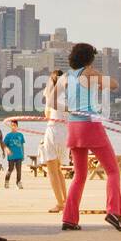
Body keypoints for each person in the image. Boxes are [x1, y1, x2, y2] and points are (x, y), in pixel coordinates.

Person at [62, 42, 121, 232]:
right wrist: (95, 74)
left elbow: (57, 98)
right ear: (89, 59)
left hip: (73, 125)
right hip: (90, 124)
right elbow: (114, 85)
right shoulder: (89, 73)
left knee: (79, 175)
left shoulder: (67, 76)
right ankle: (113, 212)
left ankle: (69, 219)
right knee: (113, 171)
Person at [40, 69, 69, 213]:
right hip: (65, 133)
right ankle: (65, 200)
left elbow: (47, 114)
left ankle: (60, 203)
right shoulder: (68, 96)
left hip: (53, 130)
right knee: (58, 169)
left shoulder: (52, 95)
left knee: (51, 170)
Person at [3, 120, 25, 189]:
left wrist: (23, 154)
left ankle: (18, 182)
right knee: (10, 169)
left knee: (19, 170)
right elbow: (3, 145)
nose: (13, 127)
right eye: (12, 125)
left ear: (17, 126)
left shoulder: (20, 135)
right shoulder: (8, 135)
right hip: (11, 156)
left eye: (14, 125)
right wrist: (7, 150)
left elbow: (22, 145)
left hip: (19, 155)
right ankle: (6, 181)